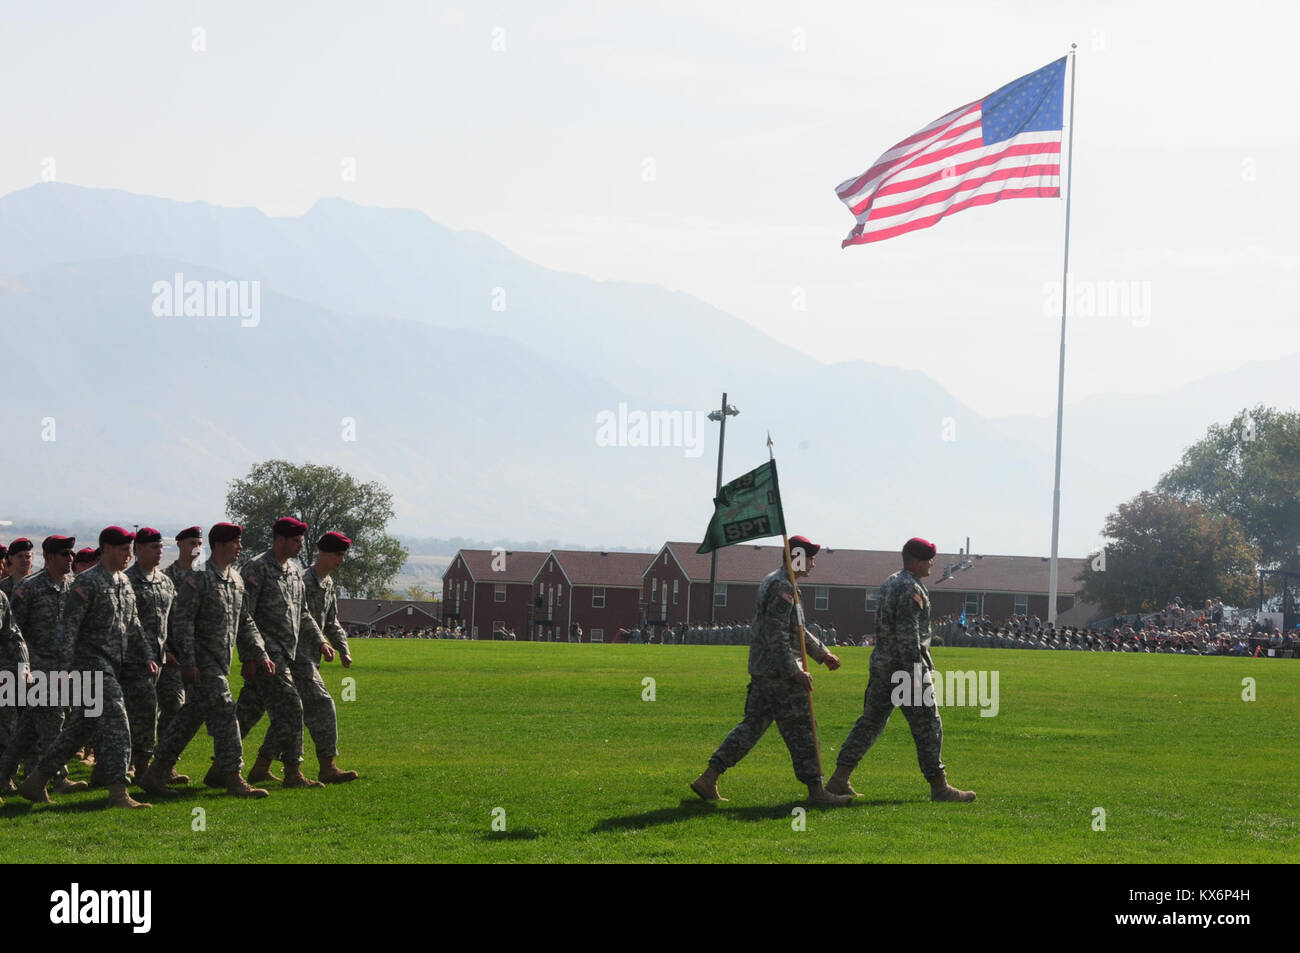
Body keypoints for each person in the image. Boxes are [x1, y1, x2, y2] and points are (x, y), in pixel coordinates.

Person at [691, 535, 851, 806]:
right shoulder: (782, 587)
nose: (813, 564)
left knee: (751, 727)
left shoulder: (781, 583)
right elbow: (776, 634)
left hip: (764, 671)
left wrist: (823, 655)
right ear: (797, 558)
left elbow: (797, 631)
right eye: (810, 558)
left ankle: (709, 777)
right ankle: (817, 792)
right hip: (780, 675)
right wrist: (794, 671)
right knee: (804, 730)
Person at [17, 527, 158, 809]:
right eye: (123, 550)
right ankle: (119, 791)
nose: (128, 555)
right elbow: (68, 628)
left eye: (130, 549)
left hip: (112, 664)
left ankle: (36, 780)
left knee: (81, 728)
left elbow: (134, 624)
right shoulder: (87, 583)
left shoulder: (123, 583)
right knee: (118, 718)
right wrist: (64, 667)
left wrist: (146, 655)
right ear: (106, 548)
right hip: (90, 666)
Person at [826, 537, 975, 803]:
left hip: (883, 666)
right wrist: (917, 674)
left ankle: (839, 777)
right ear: (917, 562)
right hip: (905, 670)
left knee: (870, 723)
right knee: (929, 726)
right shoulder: (911, 589)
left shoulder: (892, 581)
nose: (932, 563)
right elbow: (908, 637)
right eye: (929, 558)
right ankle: (939, 786)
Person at [138, 523, 273, 798]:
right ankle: (232, 775)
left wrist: (259, 653)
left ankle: (156, 772)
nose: (240, 547)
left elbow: (244, 620)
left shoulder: (235, 579)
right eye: (236, 542)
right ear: (221, 545)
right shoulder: (198, 577)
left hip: (221, 661)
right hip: (202, 661)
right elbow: (182, 620)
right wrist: (188, 662)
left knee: (189, 717)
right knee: (225, 711)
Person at [233, 517, 326, 789]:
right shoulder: (257, 567)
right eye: (296, 540)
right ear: (280, 539)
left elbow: (303, 613)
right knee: (292, 708)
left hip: (287, 654)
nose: (300, 545)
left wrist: (320, 641)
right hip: (267, 655)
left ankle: (228, 768)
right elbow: (244, 614)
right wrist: (250, 656)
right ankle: (293, 771)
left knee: (247, 713)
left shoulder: (294, 571)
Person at [0, 535, 85, 793]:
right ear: (48, 557)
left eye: (71, 554)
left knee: (28, 731)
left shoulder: (74, 587)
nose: (70, 558)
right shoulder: (29, 588)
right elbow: (14, 633)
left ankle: (3, 773)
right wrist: (22, 669)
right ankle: (57, 779)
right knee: (52, 721)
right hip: (37, 671)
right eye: (63, 554)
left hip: (63, 670)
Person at [297, 531, 359, 783]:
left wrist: (343, 648)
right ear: (322, 553)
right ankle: (327, 765)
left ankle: (261, 764)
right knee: (323, 705)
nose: (341, 560)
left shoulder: (328, 583)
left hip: (311, 656)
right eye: (337, 554)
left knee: (292, 712)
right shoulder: (302, 581)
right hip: (296, 654)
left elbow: (330, 620)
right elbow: (301, 617)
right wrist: (321, 642)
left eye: (343, 555)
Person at [121, 528, 175, 779]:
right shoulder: (126, 580)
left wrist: (172, 650)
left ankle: (154, 764)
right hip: (132, 660)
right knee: (141, 711)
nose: (159, 552)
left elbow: (171, 620)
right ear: (138, 549)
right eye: (154, 547)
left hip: (160, 660)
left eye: (161, 547)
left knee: (165, 708)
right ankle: (139, 765)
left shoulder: (165, 581)